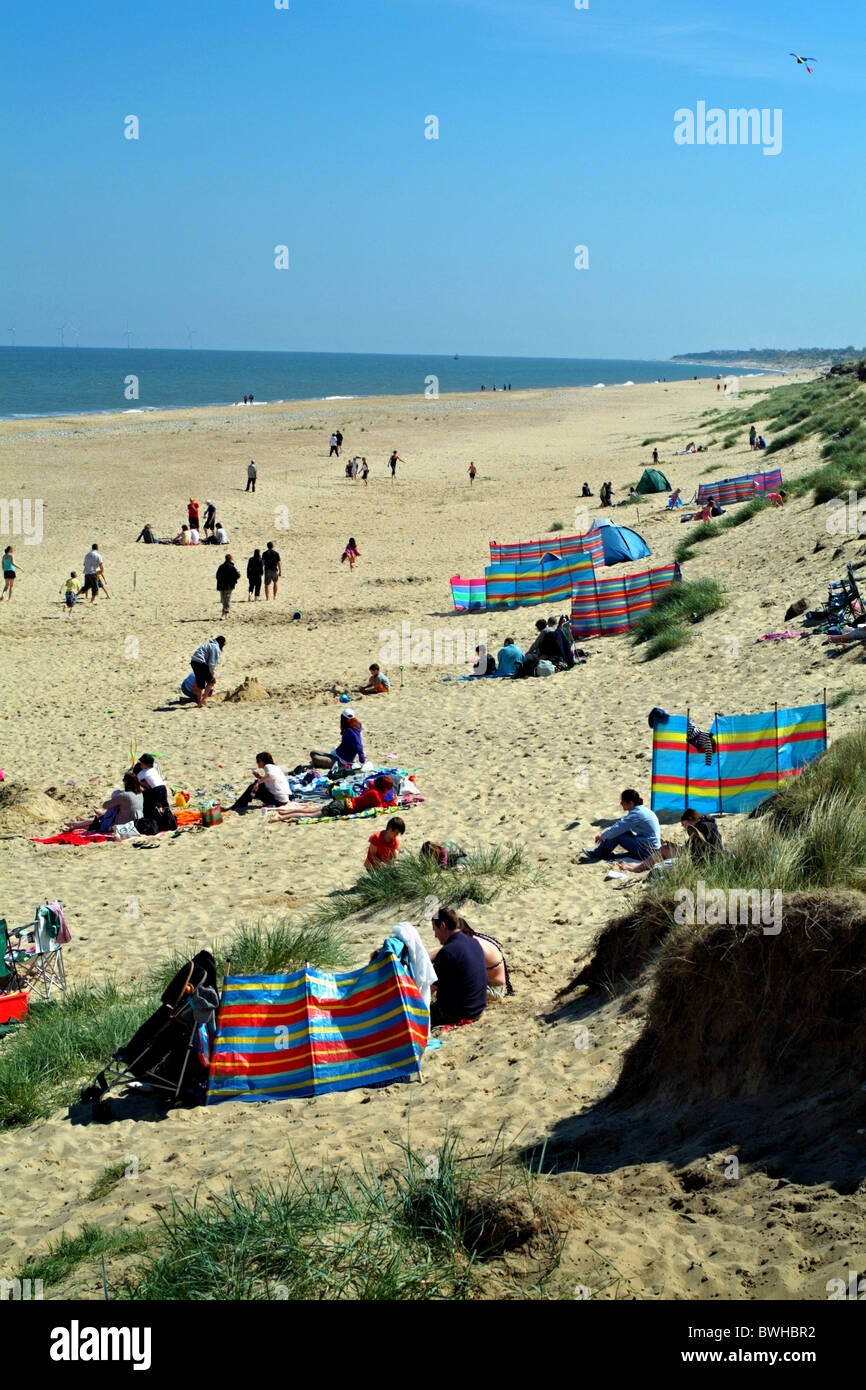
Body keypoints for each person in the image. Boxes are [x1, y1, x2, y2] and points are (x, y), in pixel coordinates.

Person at [427, 906, 487, 1027]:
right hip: (478, 1007)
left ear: (443, 925)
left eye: (435, 930)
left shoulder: (447, 952)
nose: (435, 936)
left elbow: (429, 990)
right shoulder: (473, 942)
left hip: (459, 1013)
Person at [579, 788, 661, 862]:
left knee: (617, 835)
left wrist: (602, 836)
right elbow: (621, 825)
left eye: (623, 801)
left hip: (648, 852)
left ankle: (596, 854)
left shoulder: (637, 814)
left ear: (631, 803)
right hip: (651, 848)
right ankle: (602, 852)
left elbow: (618, 828)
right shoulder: (642, 810)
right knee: (621, 832)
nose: (621, 803)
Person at [132, 754, 176, 835]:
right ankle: (169, 822)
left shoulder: (142, 773)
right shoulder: (154, 770)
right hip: (163, 787)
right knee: (164, 805)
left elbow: (135, 781)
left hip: (156, 790)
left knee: (156, 807)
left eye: (141, 763)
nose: (140, 764)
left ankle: (157, 824)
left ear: (145, 765)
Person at [190, 634, 225, 707]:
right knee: (212, 681)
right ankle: (204, 700)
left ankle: (199, 703)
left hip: (194, 662)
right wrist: (212, 675)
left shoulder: (209, 644)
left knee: (200, 684)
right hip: (201, 663)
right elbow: (212, 663)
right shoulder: (215, 647)